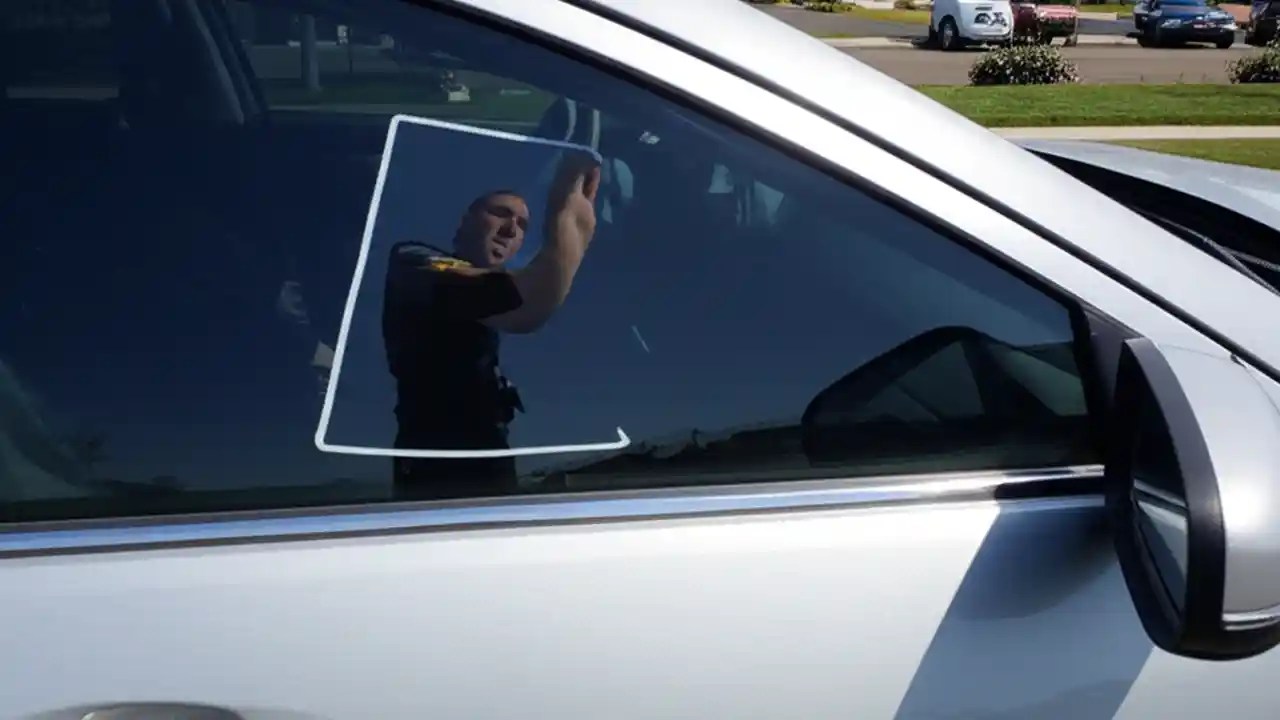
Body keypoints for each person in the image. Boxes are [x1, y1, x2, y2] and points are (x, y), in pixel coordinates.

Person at [382, 152, 601, 500]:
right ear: (466, 220)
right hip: (439, 474)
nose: (511, 229)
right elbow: (525, 301)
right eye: (500, 213)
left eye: (522, 226)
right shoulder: (416, 263)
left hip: (486, 466)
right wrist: (572, 223)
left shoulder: (489, 308)